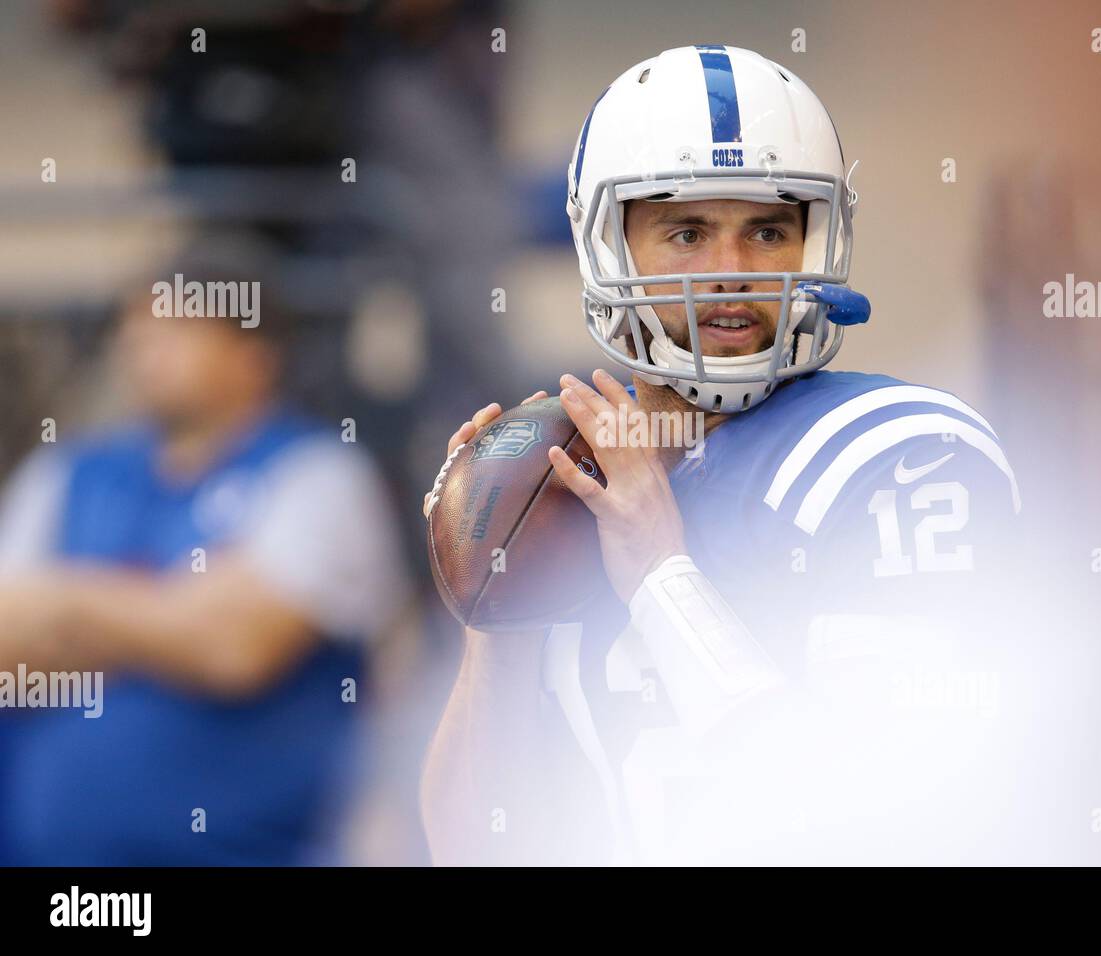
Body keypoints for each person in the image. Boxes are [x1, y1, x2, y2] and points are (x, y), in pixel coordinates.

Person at [421, 45, 1022, 865]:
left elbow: (899, 825)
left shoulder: (900, 452)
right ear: (608, 247)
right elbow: (477, 849)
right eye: (686, 233)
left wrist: (661, 577)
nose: (729, 274)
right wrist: (496, 608)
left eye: (768, 230)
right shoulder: (567, 484)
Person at [0, 244, 411, 865]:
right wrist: (167, 616)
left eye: (174, 332)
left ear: (254, 356)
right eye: (135, 333)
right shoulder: (66, 471)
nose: (144, 352)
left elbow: (232, 647)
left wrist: (64, 607)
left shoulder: (318, 473)